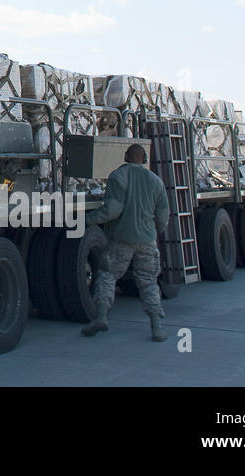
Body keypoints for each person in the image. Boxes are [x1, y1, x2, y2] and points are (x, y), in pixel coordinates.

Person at [82, 143, 171, 341]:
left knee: (107, 275)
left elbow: (112, 210)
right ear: (144, 159)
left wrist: (87, 220)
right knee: (149, 282)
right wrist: (155, 230)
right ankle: (156, 327)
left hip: (121, 239)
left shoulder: (118, 176)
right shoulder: (155, 181)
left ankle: (102, 317)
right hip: (147, 240)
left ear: (126, 156)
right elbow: (163, 215)